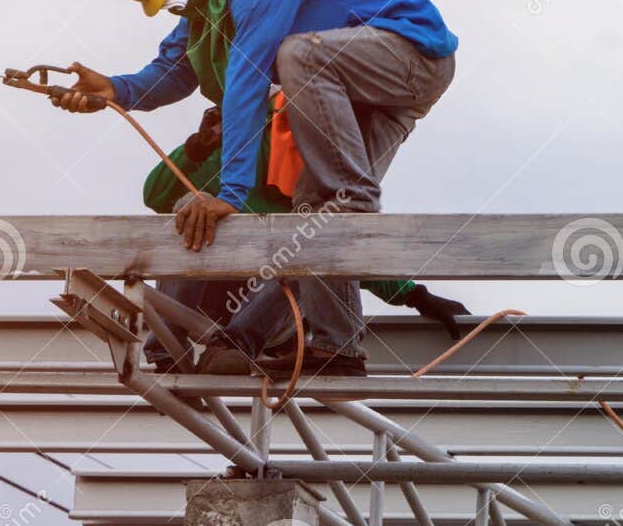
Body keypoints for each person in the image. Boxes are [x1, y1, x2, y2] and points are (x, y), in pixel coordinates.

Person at [53, 0, 458, 377]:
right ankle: (338, 348)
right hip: (359, 86)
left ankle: (352, 203)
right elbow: (174, 70)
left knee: (299, 58)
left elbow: (246, 76)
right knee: (313, 210)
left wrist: (231, 193)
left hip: (411, 60)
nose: (175, 5)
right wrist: (116, 91)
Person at [141, 102, 471, 374]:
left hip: (274, 316)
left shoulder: (321, 189)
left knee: (310, 234)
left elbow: (342, 253)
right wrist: (197, 150)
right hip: (214, 299)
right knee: (191, 205)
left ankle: (236, 345)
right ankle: (168, 353)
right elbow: (156, 196)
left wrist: (414, 295)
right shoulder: (233, 160)